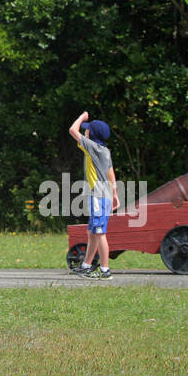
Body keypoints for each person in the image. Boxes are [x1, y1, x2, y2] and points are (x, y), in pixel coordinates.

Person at [69, 110, 118, 279]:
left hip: (98, 196)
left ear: (92, 134)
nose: (85, 131)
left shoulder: (92, 147)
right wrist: (115, 194)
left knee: (99, 233)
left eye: (87, 129)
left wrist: (82, 117)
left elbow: (72, 130)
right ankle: (86, 265)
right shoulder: (104, 151)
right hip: (103, 195)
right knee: (92, 232)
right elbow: (110, 172)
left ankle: (105, 270)